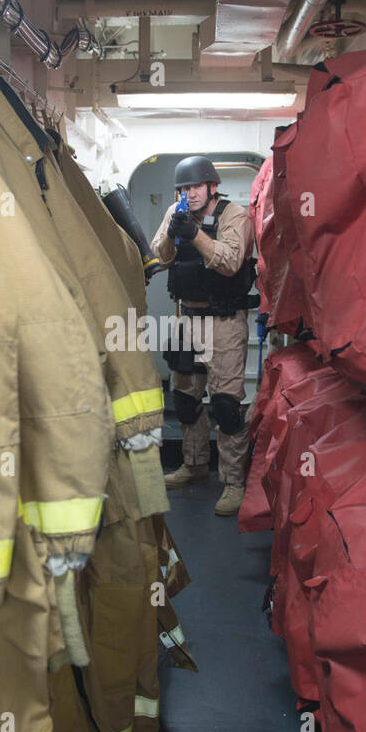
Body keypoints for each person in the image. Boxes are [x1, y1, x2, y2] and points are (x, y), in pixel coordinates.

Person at [151, 155, 256, 516]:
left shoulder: (234, 216)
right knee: (185, 399)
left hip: (224, 322)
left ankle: (233, 482)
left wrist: (195, 235)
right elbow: (158, 257)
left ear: (212, 187)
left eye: (195, 186)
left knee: (226, 406)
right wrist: (172, 230)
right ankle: (194, 466)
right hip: (187, 318)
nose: (189, 193)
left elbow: (229, 262)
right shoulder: (175, 212)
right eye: (183, 188)